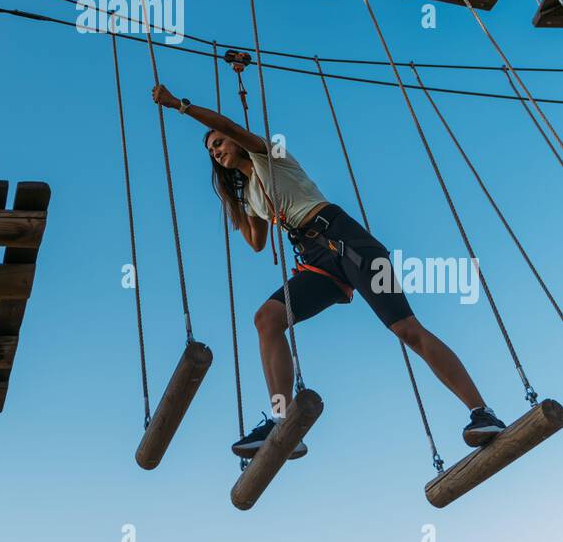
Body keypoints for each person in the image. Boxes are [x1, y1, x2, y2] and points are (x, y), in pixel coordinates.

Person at [151, 81, 507, 461]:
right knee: (266, 318)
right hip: (315, 261)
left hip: (345, 239)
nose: (216, 150)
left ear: (236, 139)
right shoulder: (252, 192)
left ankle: (481, 412)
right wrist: (233, 205)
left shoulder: (270, 155)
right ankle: (282, 419)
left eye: (218, 142)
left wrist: (180, 106)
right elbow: (256, 242)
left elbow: (236, 128)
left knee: (407, 329)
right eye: (211, 151)